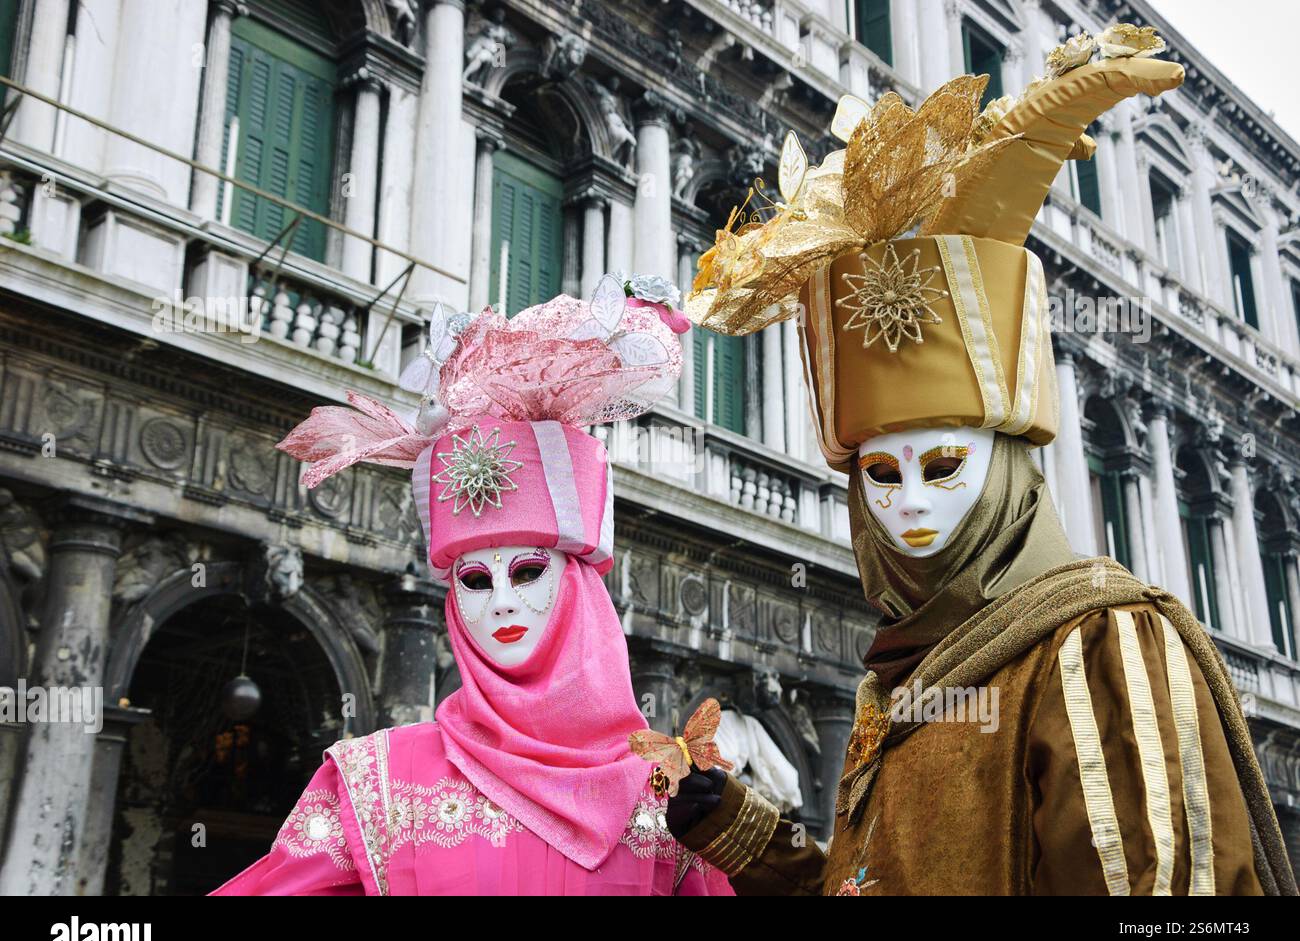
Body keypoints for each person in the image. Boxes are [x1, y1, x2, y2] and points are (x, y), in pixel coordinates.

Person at [677, 25, 1297, 896]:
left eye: (943, 466)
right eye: (881, 478)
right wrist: (746, 837)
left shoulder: (1098, 644)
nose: (912, 505)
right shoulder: (903, 679)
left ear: (1005, 467)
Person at [211, 276, 731, 896]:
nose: (503, 601)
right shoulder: (377, 782)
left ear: (578, 588)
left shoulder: (667, 798)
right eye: (476, 581)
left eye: (530, 571)